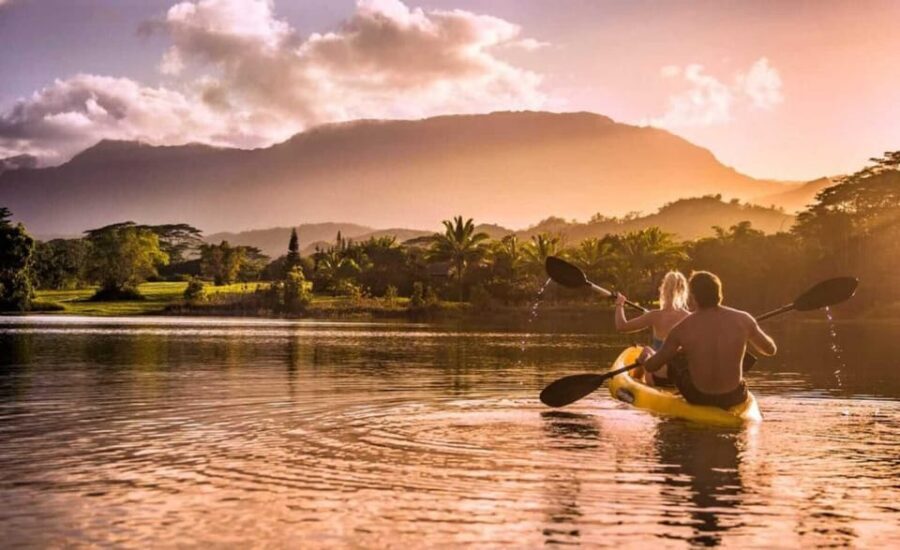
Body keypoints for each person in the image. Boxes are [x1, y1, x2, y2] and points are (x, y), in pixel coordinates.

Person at [637, 271, 777, 409]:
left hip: (698, 396)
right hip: (734, 396)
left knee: (677, 358)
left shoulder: (681, 328)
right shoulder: (744, 319)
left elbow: (652, 366)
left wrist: (645, 360)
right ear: (719, 293)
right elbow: (770, 350)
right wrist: (751, 330)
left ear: (693, 297)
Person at [614, 271, 690, 385]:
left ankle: (635, 383)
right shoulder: (689, 317)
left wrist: (619, 304)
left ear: (663, 290)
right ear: (683, 291)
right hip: (680, 377)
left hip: (657, 376)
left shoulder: (655, 316)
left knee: (646, 351)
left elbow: (621, 326)